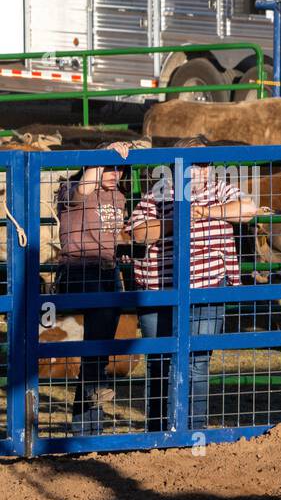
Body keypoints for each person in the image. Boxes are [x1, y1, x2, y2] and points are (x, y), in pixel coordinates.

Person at [126, 137, 259, 433]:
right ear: (177, 166)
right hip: (160, 289)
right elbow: (137, 232)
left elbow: (249, 208)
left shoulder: (220, 190)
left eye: (205, 164)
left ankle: (190, 429)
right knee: (159, 361)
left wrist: (205, 212)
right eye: (195, 164)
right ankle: (159, 432)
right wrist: (179, 220)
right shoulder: (158, 194)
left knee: (197, 361)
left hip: (207, 287)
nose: (202, 170)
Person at [55, 140, 136, 434]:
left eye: (119, 167)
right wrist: (103, 156)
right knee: (96, 350)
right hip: (79, 270)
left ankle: (87, 430)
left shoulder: (119, 197)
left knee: (98, 353)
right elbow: (83, 191)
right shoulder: (71, 188)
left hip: (107, 271)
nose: (115, 173)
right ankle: (93, 399)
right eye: (108, 166)